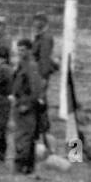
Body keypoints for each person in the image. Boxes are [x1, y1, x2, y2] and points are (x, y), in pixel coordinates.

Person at [10, 39, 46, 174]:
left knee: (23, 137)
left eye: (23, 50)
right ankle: (28, 168)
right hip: (19, 104)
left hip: (26, 107)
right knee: (25, 137)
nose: (20, 52)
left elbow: (36, 89)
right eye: (19, 50)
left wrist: (27, 104)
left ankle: (20, 166)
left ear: (30, 51)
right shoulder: (21, 65)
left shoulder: (31, 66)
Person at [32, 12, 57, 146]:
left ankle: (44, 129)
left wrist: (43, 77)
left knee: (40, 101)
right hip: (36, 74)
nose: (35, 23)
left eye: (38, 20)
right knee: (38, 101)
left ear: (44, 22)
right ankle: (40, 128)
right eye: (35, 20)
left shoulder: (46, 38)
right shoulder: (40, 36)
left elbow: (44, 59)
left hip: (41, 75)